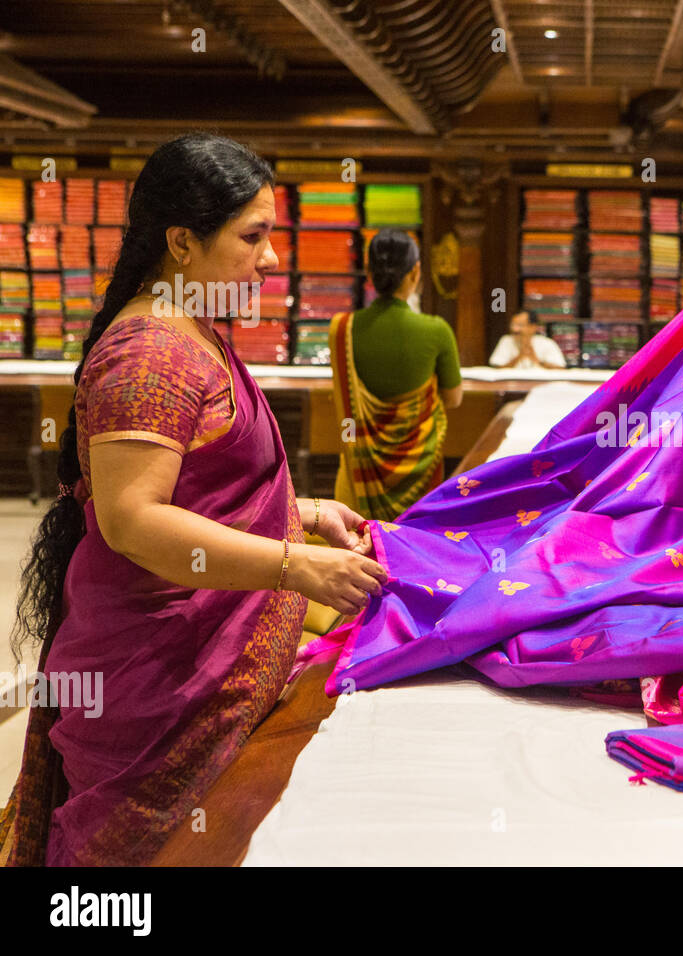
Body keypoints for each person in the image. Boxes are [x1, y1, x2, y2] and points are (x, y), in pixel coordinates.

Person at [1, 132, 388, 866]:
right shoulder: (151, 354)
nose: (271, 259)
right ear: (182, 242)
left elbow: (198, 482)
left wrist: (298, 511)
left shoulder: (195, 330)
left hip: (183, 658)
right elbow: (132, 520)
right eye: (254, 237)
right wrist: (293, 565)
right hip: (157, 678)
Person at [330, 228, 462, 521]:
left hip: (358, 477)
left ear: (368, 271)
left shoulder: (341, 328)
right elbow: (453, 399)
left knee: (359, 544)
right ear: (415, 272)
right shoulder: (436, 330)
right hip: (421, 471)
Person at [489, 310, 567, 370]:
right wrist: (519, 357)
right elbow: (496, 369)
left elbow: (560, 369)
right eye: (513, 325)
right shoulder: (506, 341)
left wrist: (537, 360)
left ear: (533, 327)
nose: (515, 329)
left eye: (520, 325)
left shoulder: (547, 343)